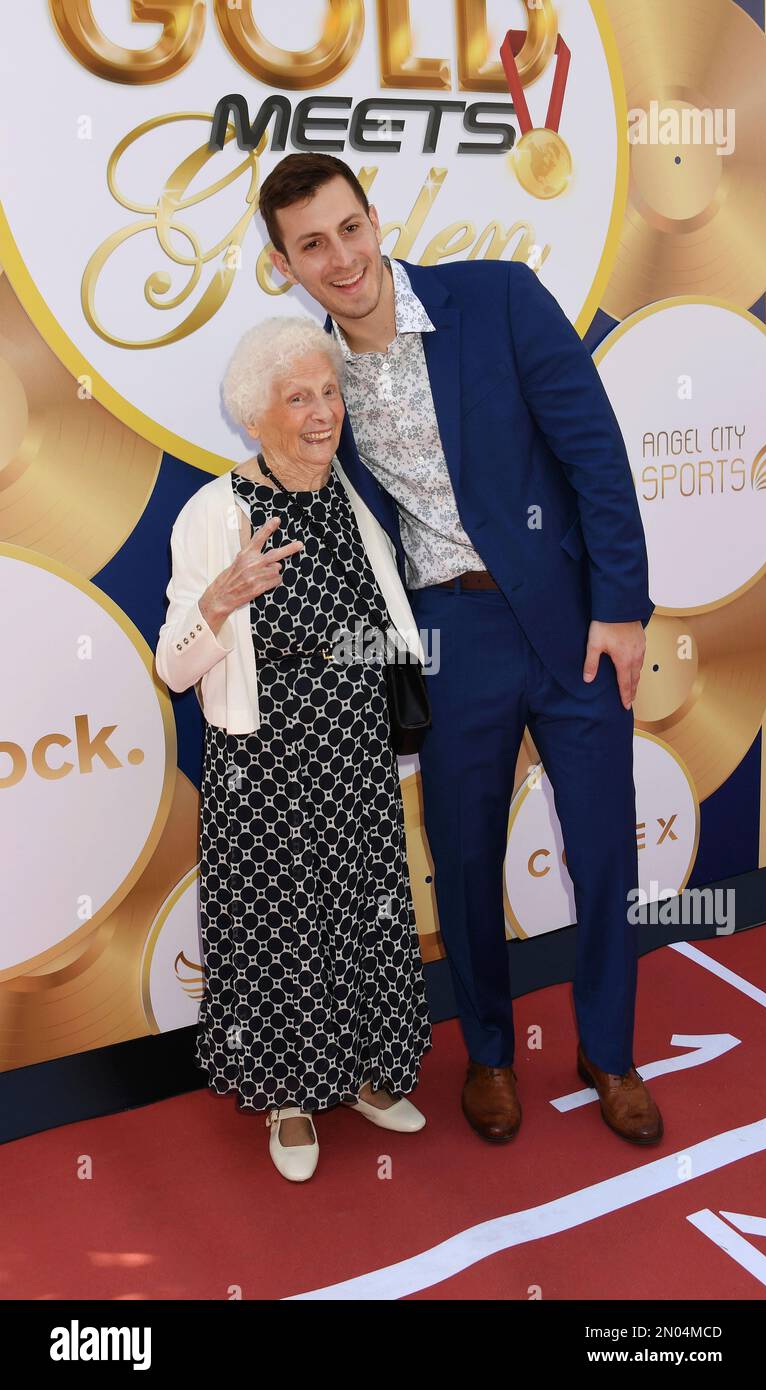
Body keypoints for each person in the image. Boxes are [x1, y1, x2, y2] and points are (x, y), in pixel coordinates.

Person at [255, 151, 663, 1147]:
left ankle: (608, 1050)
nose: (340, 257)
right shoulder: (310, 378)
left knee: (603, 847)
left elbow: (594, 453)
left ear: (374, 217)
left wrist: (620, 606)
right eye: (311, 245)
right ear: (283, 263)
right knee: (464, 855)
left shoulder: (498, 298)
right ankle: (487, 1050)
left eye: (349, 228)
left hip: (569, 619)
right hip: (447, 635)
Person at [155, 316, 432, 1181]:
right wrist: (221, 601)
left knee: (362, 912)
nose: (322, 414)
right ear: (253, 415)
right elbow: (173, 667)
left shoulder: (348, 495)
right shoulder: (217, 510)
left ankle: (359, 1073)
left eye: (331, 392)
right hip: (266, 760)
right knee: (277, 929)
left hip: (353, 751)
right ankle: (289, 1096)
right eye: (298, 397)